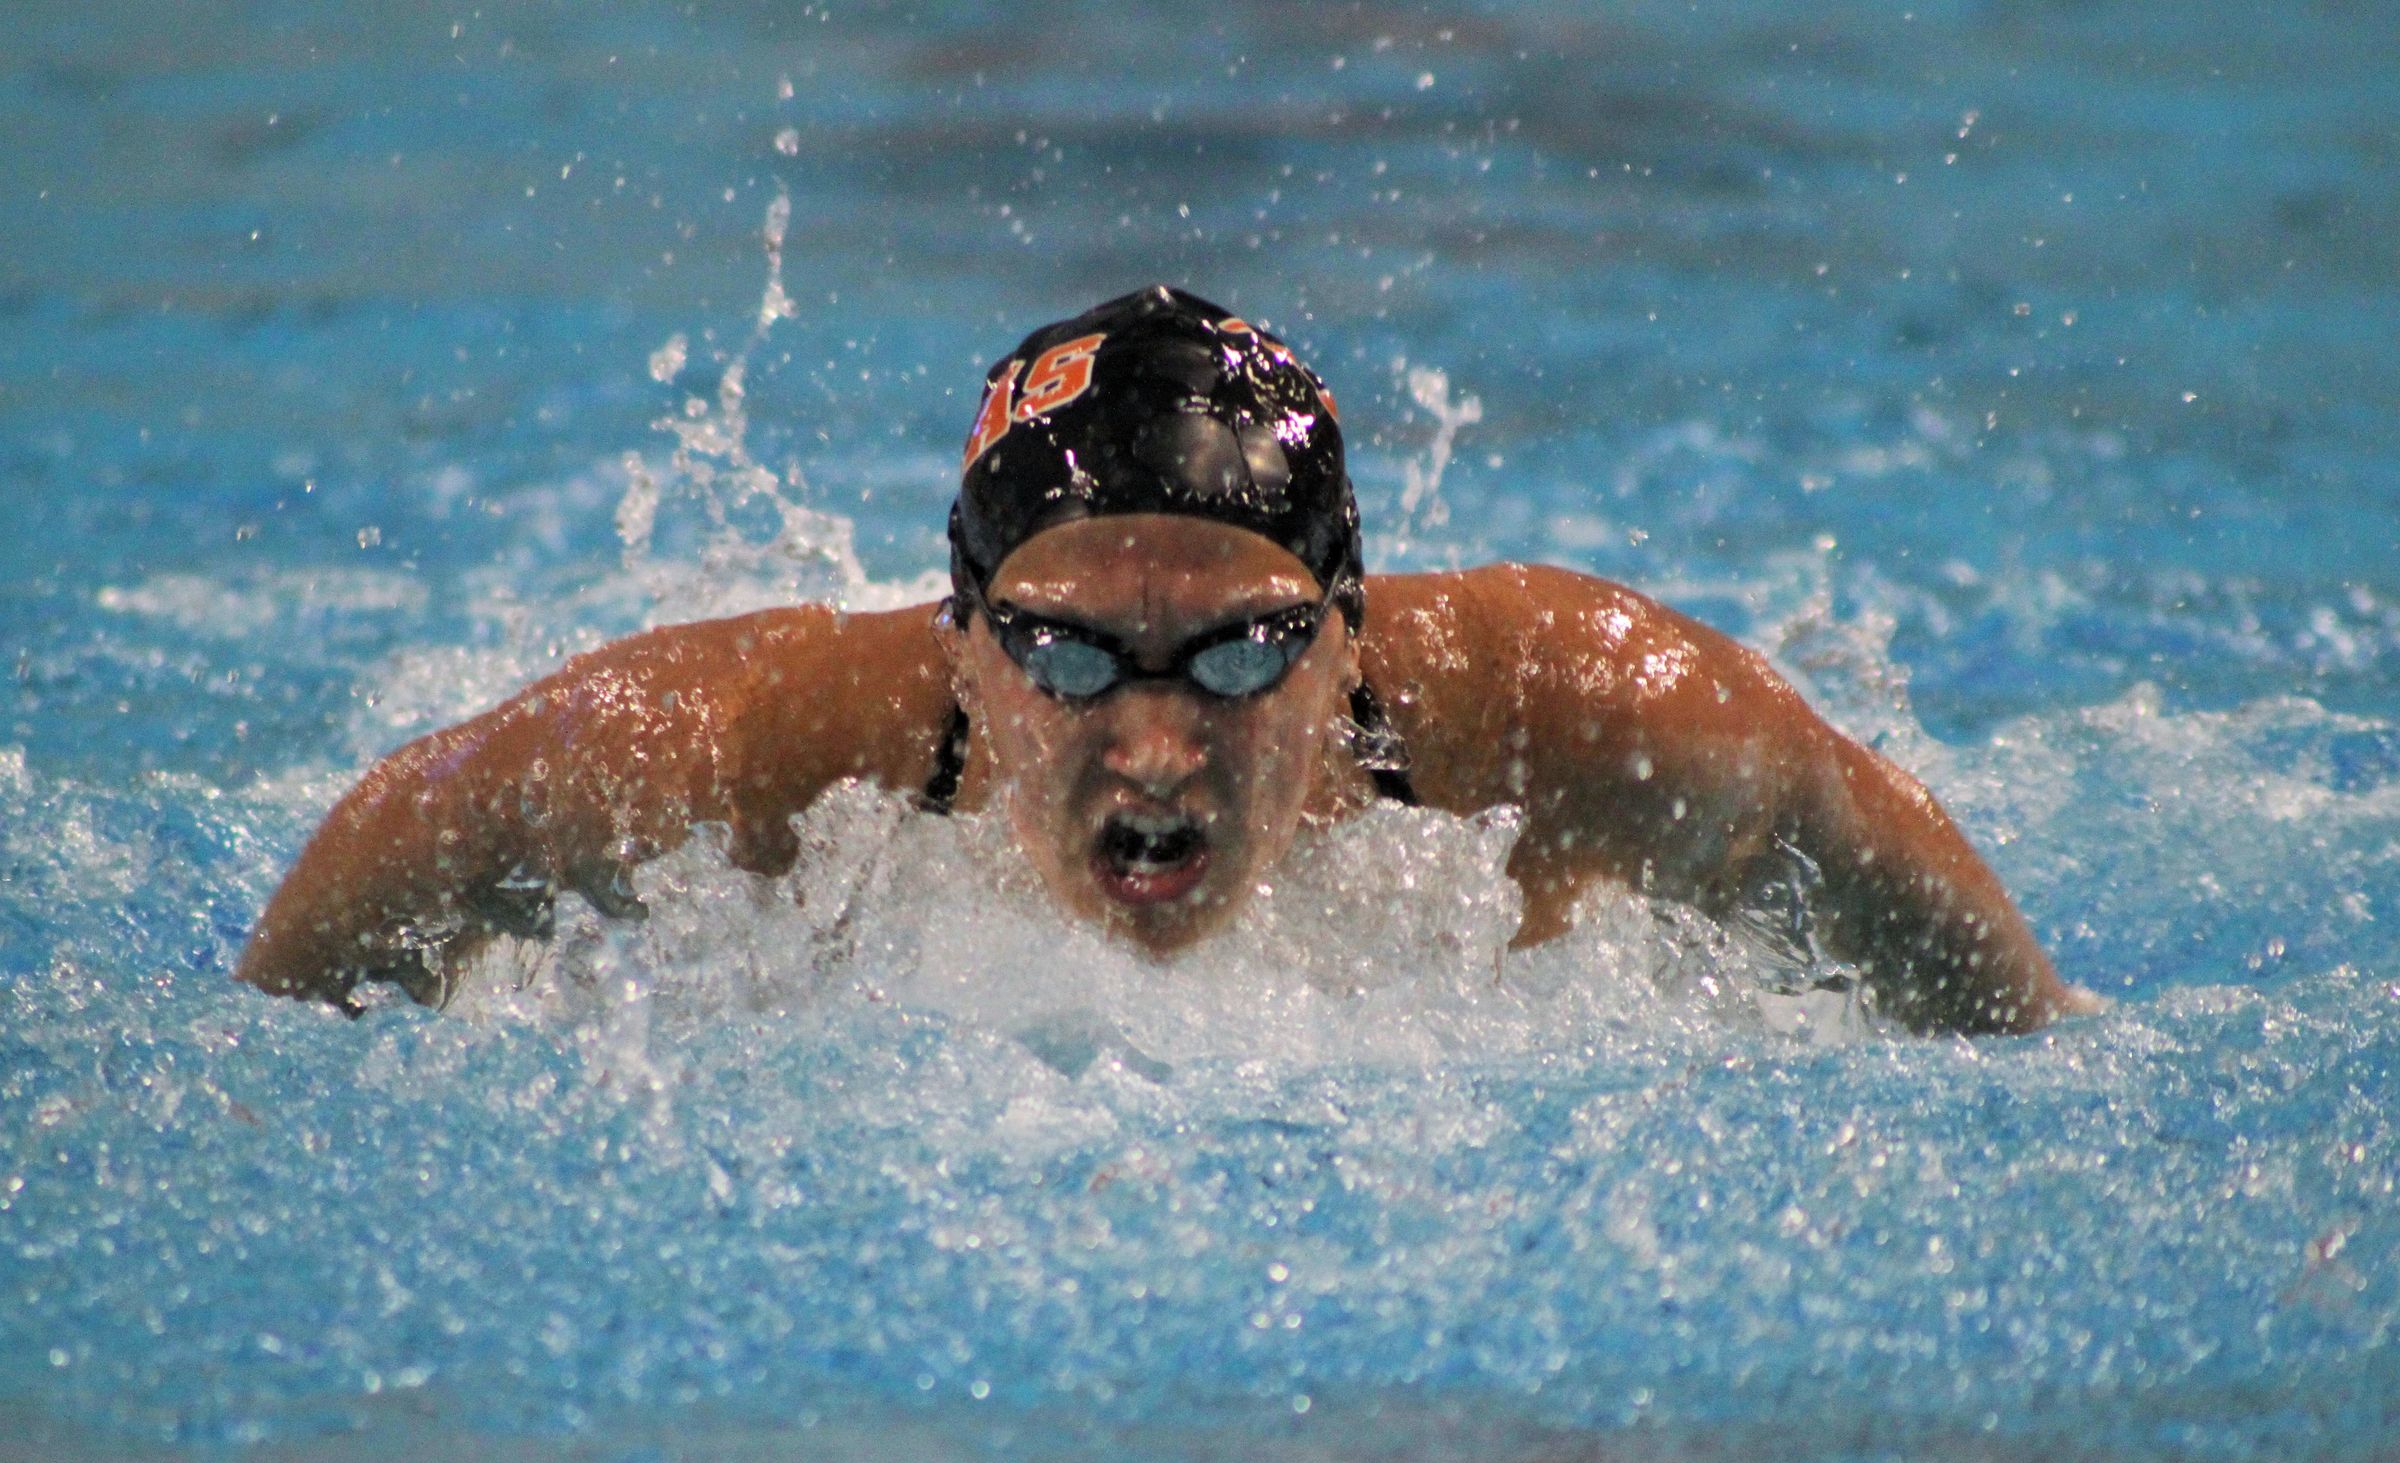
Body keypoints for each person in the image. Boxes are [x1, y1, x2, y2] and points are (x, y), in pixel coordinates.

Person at [239, 286, 2091, 1034]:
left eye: (1235, 655)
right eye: (1062, 659)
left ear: (1349, 627)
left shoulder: (1601, 725)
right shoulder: (752, 756)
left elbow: (2014, 1032)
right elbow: (400, 851)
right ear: (962, 650)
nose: (1146, 747)